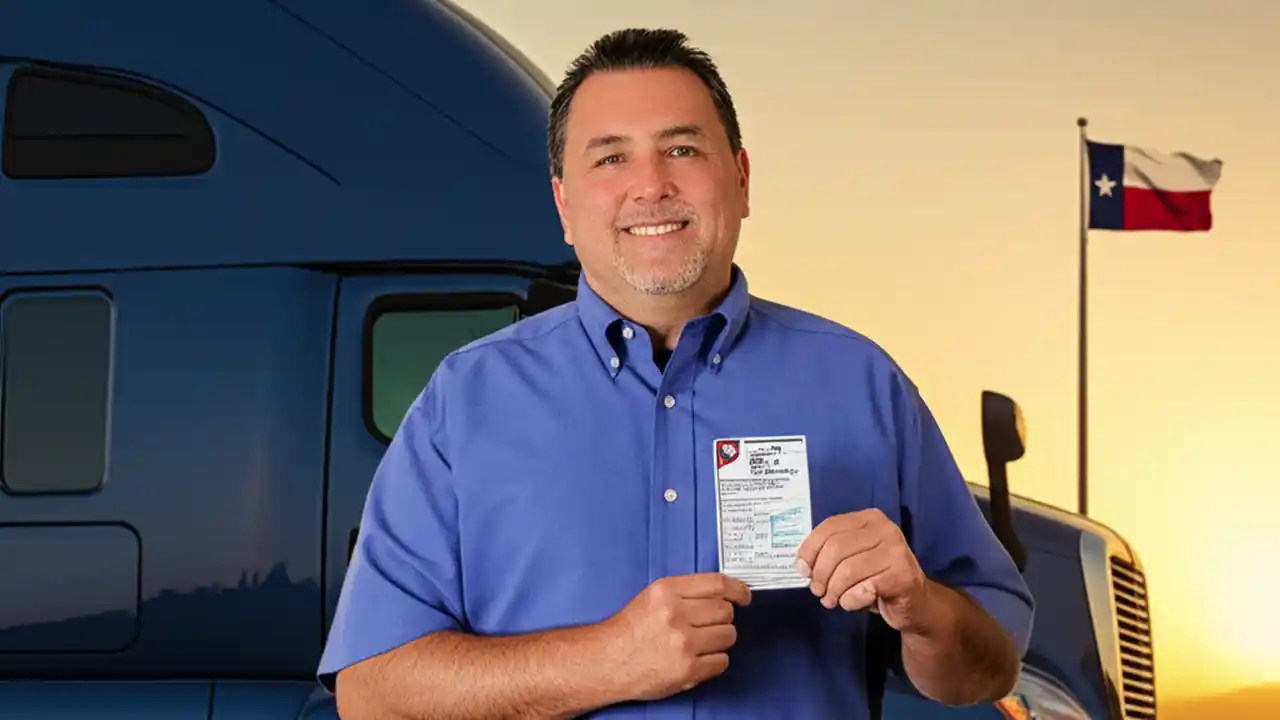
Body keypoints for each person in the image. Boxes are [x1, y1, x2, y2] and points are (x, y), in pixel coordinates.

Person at [318, 27, 1034, 719]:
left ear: (742, 179)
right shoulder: (464, 402)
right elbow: (374, 695)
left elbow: (989, 669)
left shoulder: (863, 385)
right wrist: (607, 660)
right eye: (610, 159)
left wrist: (923, 608)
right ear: (564, 204)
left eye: (682, 149)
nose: (651, 185)